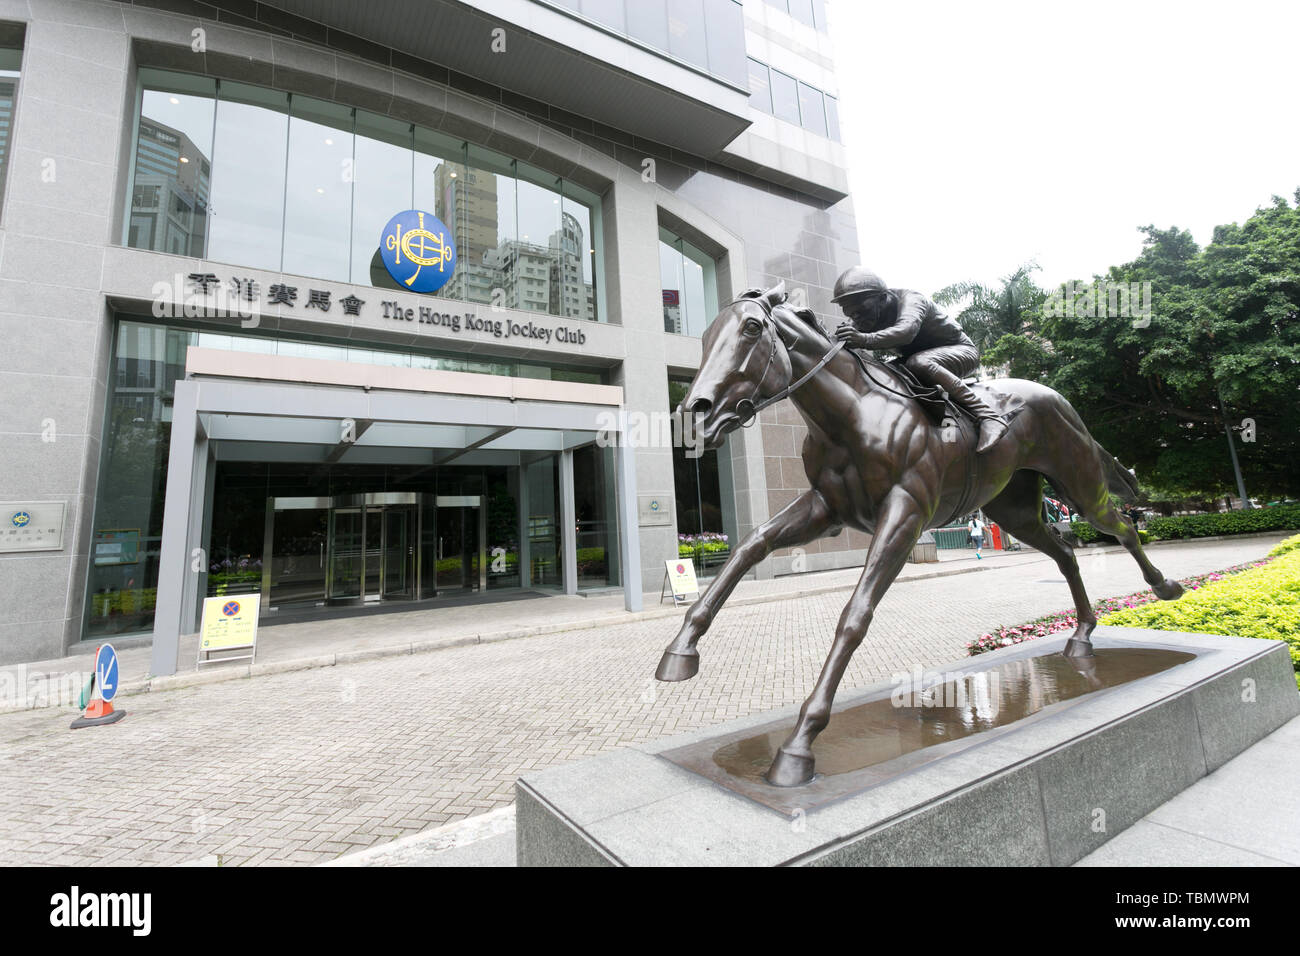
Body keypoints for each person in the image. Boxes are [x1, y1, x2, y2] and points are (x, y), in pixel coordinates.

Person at [831, 266, 1009, 453]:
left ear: (882, 298)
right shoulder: (862, 318)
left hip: (960, 351)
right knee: (880, 373)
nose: (856, 317)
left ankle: (989, 416)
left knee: (920, 362)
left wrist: (863, 339)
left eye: (861, 310)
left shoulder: (911, 300)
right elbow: (845, 341)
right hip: (913, 360)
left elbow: (905, 332)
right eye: (850, 313)